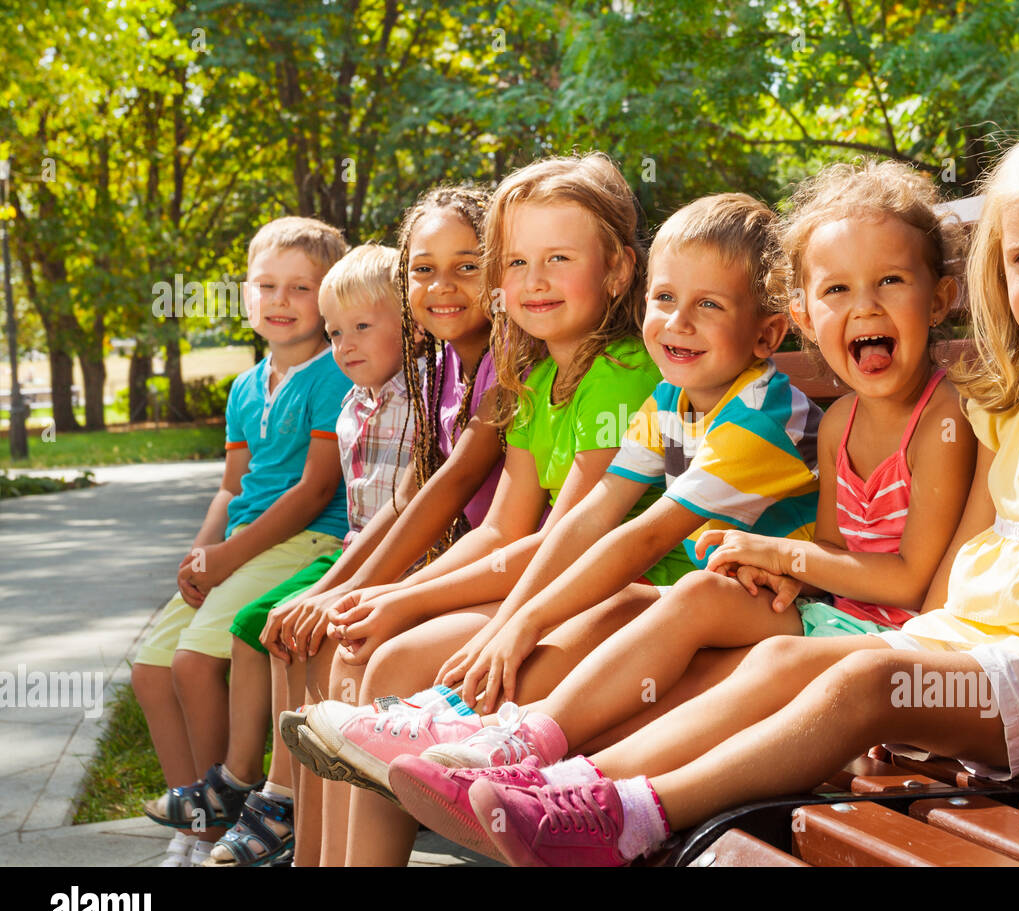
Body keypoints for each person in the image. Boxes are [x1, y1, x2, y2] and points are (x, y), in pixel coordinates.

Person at [464, 106, 1019, 866]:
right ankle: (574, 786)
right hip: (995, 658)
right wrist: (913, 669)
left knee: (863, 682)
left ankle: (632, 818)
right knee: (798, 657)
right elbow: (962, 572)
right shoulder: (1015, 400)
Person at [392, 159, 977, 861]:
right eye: (840, 289)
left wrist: (776, 558)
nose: (867, 306)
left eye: (890, 282)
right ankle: (526, 750)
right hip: (816, 609)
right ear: (803, 315)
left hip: (884, 640)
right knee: (668, 598)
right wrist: (795, 572)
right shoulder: (831, 415)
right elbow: (817, 548)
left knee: (676, 599)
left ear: (940, 296)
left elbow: (909, 581)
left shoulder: (917, 418)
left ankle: (558, 778)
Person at [285, 153, 671, 865]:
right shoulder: (541, 377)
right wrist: (396, 593)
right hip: (553, 588)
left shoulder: (623, 375)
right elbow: (501, 527)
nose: (535, 280)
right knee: (361, 642)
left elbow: (572, 542)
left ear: (618, 270)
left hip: (610, 603)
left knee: (392, 655)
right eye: (518, 261)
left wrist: (408, 602)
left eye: (559, 258)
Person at [244, 186, 507, 867]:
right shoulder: (445, 364)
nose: (442, 286)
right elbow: (415, 489)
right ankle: (314, 855)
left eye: (467, 265)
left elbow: (452, 486)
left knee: (353, 649)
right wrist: (330, 586)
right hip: (466, 563)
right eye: (424, 269)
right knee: (316, 634)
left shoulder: (505, 361)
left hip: (491, 571)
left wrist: (366, 593)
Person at [133, 217, 351, 866]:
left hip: (309, 538)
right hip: (242, 544)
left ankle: (241, 808)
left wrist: (230, 555)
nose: (280, 300)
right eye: (266, 286)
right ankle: (196, 826)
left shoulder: (333, 375)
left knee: (195, 662)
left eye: (300, 288)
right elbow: (232, 488)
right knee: (150, 668)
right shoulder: (245, 385)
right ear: (246, 295)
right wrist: (202, 554)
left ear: (330, 297)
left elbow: (314, 491)